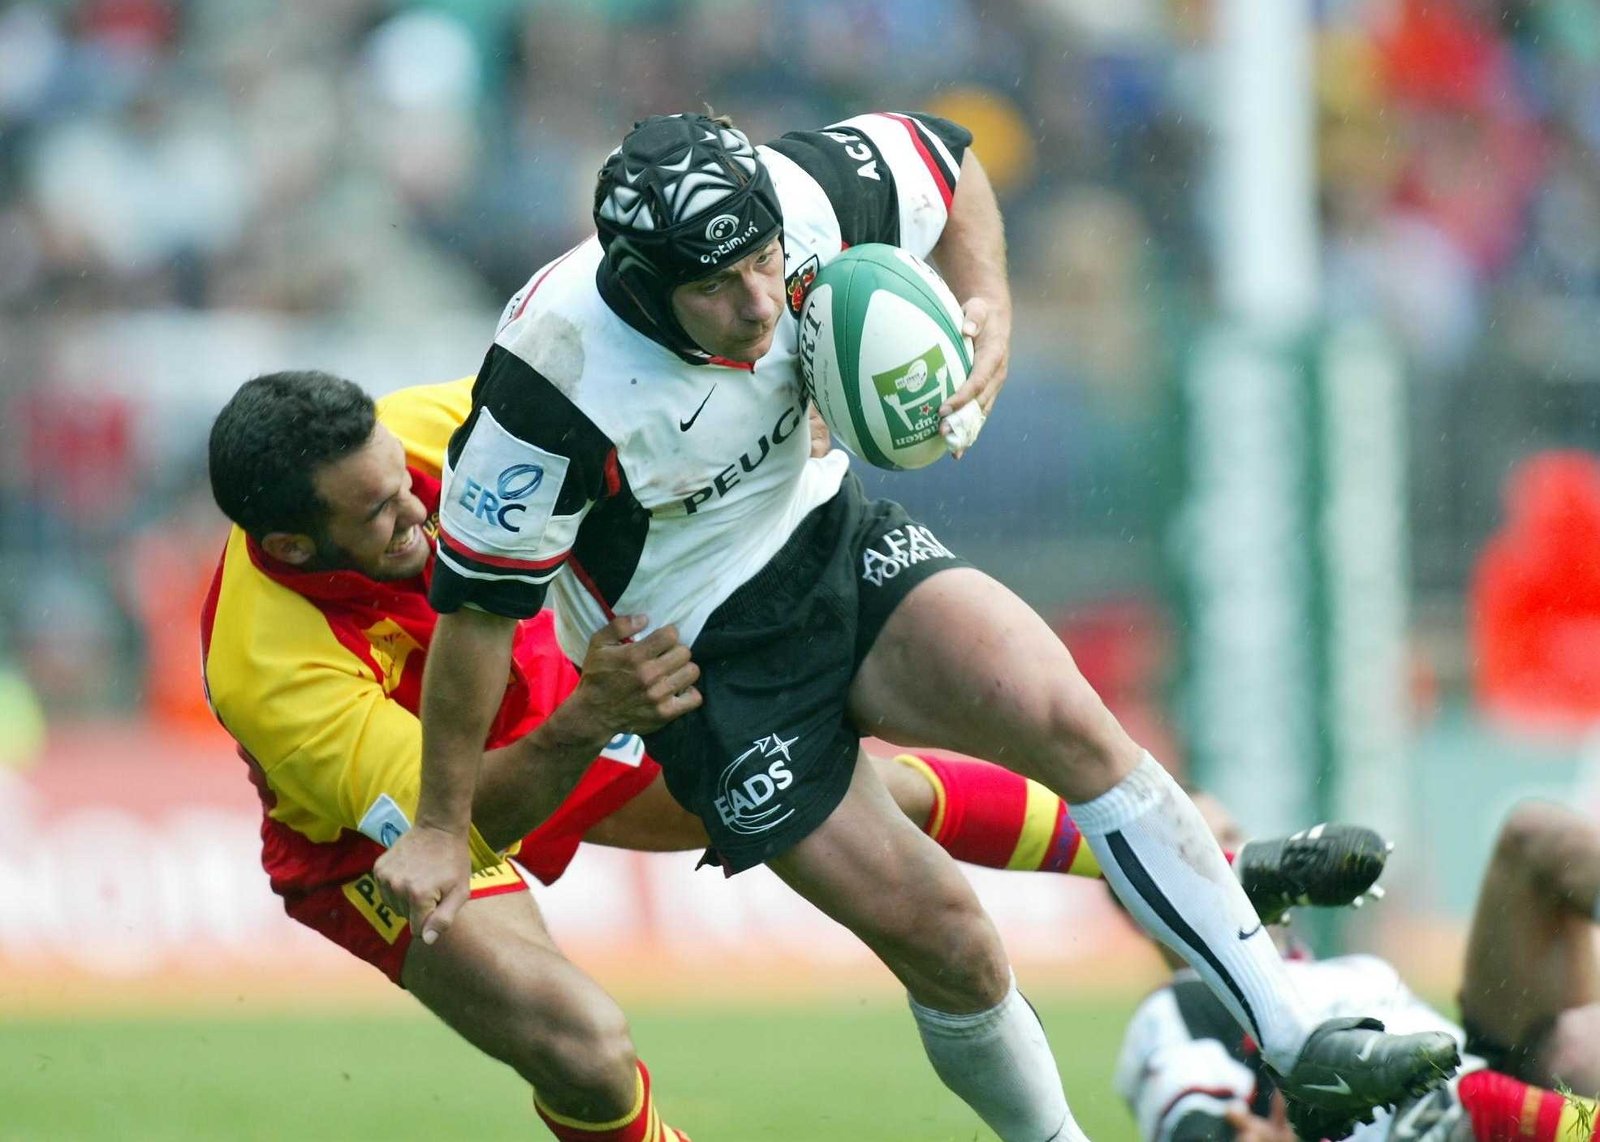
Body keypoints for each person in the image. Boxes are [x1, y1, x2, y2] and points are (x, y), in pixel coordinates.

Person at [376, 110, 1459, 1142]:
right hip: (703, 664)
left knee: (1067, 720)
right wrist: (435, 824)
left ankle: (1299, 1038)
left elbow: (948, 163)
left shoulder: (798, 193)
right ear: (643, 285)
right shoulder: (546, 389)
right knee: (952, 944)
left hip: (831, 535)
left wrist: (985, 305)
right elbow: (473, 620)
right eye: (716, 286)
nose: (760, 303)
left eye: (762, 261)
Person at [201, 369, 1387, 1142]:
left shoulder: (417, 431)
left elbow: (621, 417)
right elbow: (465, 826)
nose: (414, 511)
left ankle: (1220, 870)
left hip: (543, 688)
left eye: (401, 487)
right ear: (293, 541)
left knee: (837, 793)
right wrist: (581, 716)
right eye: (376, 516)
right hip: (392, 836)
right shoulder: (272, 669)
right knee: (584, 1043)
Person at [1116, 798, 1600, 1142]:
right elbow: (1192, 1123)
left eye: (1234, 839)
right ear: (1144, 901)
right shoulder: (1186, 1004)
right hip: (1447, 1122)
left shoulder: (1350, 970)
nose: (1241, 862)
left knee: (1532, 833)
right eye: (1203, 852)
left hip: (1490, 1092)